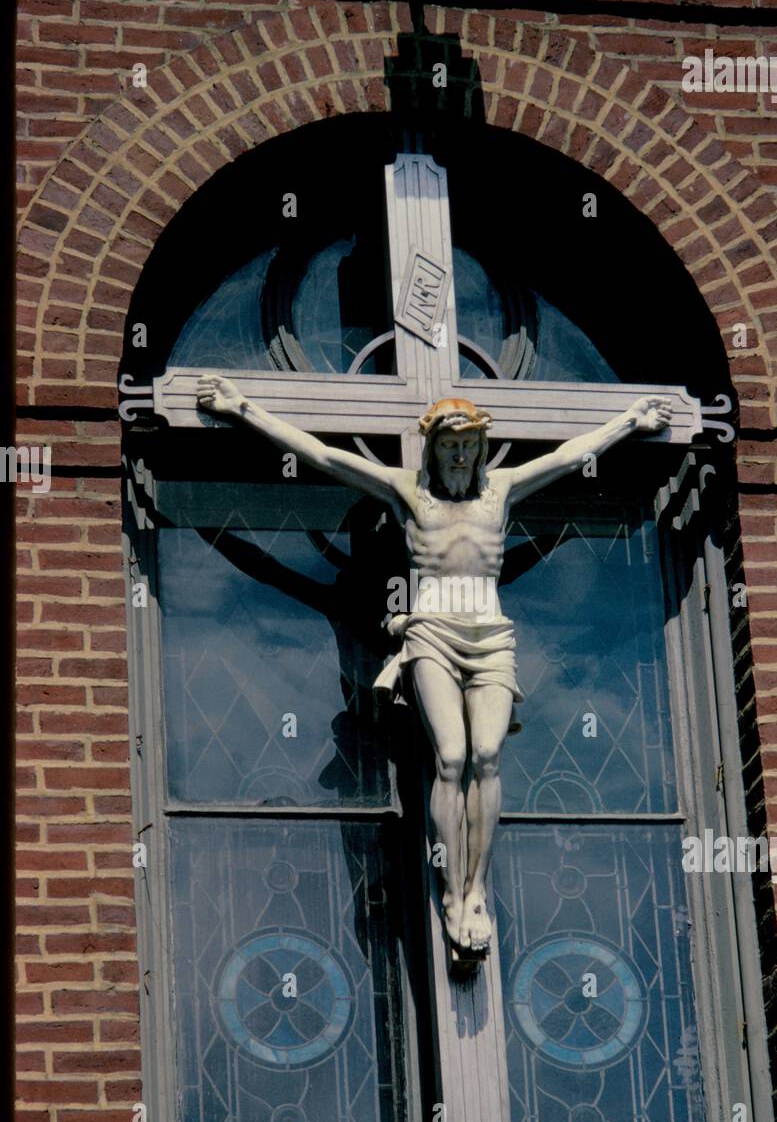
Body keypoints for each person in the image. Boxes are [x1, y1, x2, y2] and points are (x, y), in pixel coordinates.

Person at [196, 374, 672, 957]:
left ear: (479, 450)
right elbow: (321, 454)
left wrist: (630, 422)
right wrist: (242, 409)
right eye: (449, 446)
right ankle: (451, 892)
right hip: (431, 634)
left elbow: (570, 457)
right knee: (451, 756)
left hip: (492, 636)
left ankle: (475, 890)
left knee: (488, 755)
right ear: (432, 450)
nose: (459, 456)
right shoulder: (409, 493)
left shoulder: (500, 491)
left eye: (467, 446)